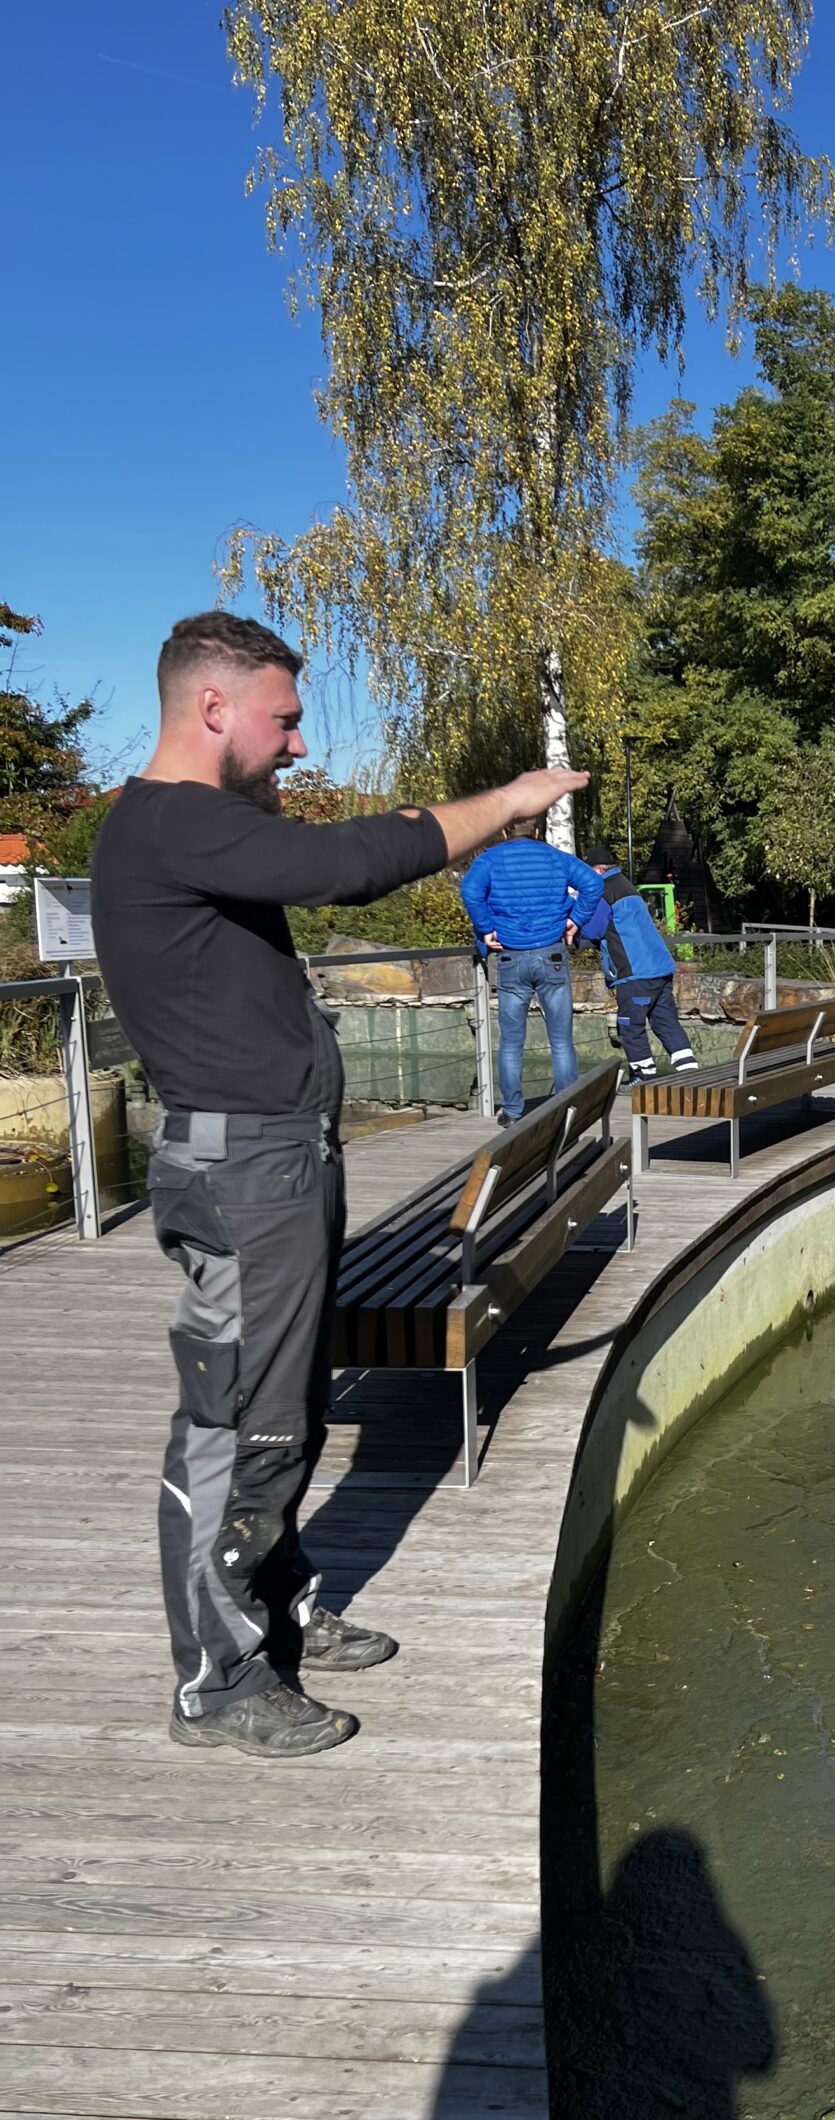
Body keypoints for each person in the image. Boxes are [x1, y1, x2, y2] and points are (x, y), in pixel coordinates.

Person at [90, 609, 587, 1759]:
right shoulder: (172, 823)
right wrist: (504, 804)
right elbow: (353, 864)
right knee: (239, 1424)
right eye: (286, 718)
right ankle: (220, 1680)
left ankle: (281, 1607)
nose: (300, 745)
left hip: (275, 1161)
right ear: (212, 709)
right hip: (244, 1172)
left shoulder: (195, 828)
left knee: (290, 1405)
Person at [459, 825, 607, 1121]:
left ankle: (513, 1110)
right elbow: (593, 884)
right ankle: (567, 1108)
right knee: (562, 1040)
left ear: (503, 830)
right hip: (551, 953)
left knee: (512, 1042)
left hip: (510, 957)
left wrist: (486, 929)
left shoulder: (489, 859)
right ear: (538, 829)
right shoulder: (556, 857)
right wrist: (574, 920)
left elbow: (469, 891)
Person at [576, 854, 699, 1079]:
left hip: (634, 973)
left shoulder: (604, 890)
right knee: (665, 1022)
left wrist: (572, 931)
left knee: (630, 1027)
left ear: (599, 869)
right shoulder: (627, 886)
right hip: (659, 968)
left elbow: (592, 930)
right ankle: (690, 1073)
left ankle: (644, 1078)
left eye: (587, 871)